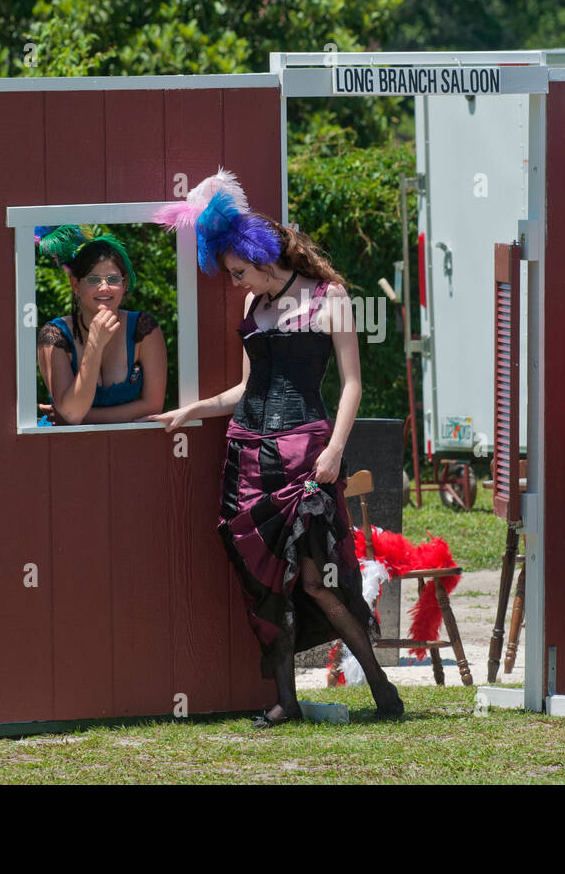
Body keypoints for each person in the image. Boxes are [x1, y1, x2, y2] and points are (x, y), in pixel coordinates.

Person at [150, 171, 404, 728]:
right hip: (248, 453)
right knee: (264, 579)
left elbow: (352, 382)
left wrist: (336, 449)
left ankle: (382, 687)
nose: (237, 282)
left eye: (239, 271)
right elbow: (246, 391)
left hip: (305, 452)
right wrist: (193, 409)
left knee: (316, 577)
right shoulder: (254, 306)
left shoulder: (328, 296)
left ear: (262, 256)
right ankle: (286, 700)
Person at [35, 226, 167, 425]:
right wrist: (95, 345)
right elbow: (72, 413)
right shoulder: (54, 335)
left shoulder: (144, 328)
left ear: (124, 284)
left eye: (113, 279)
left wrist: (78, 417)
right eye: (93, 279)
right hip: (61, 449)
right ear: (75, 284)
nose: (104, 287)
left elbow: (153, 406)